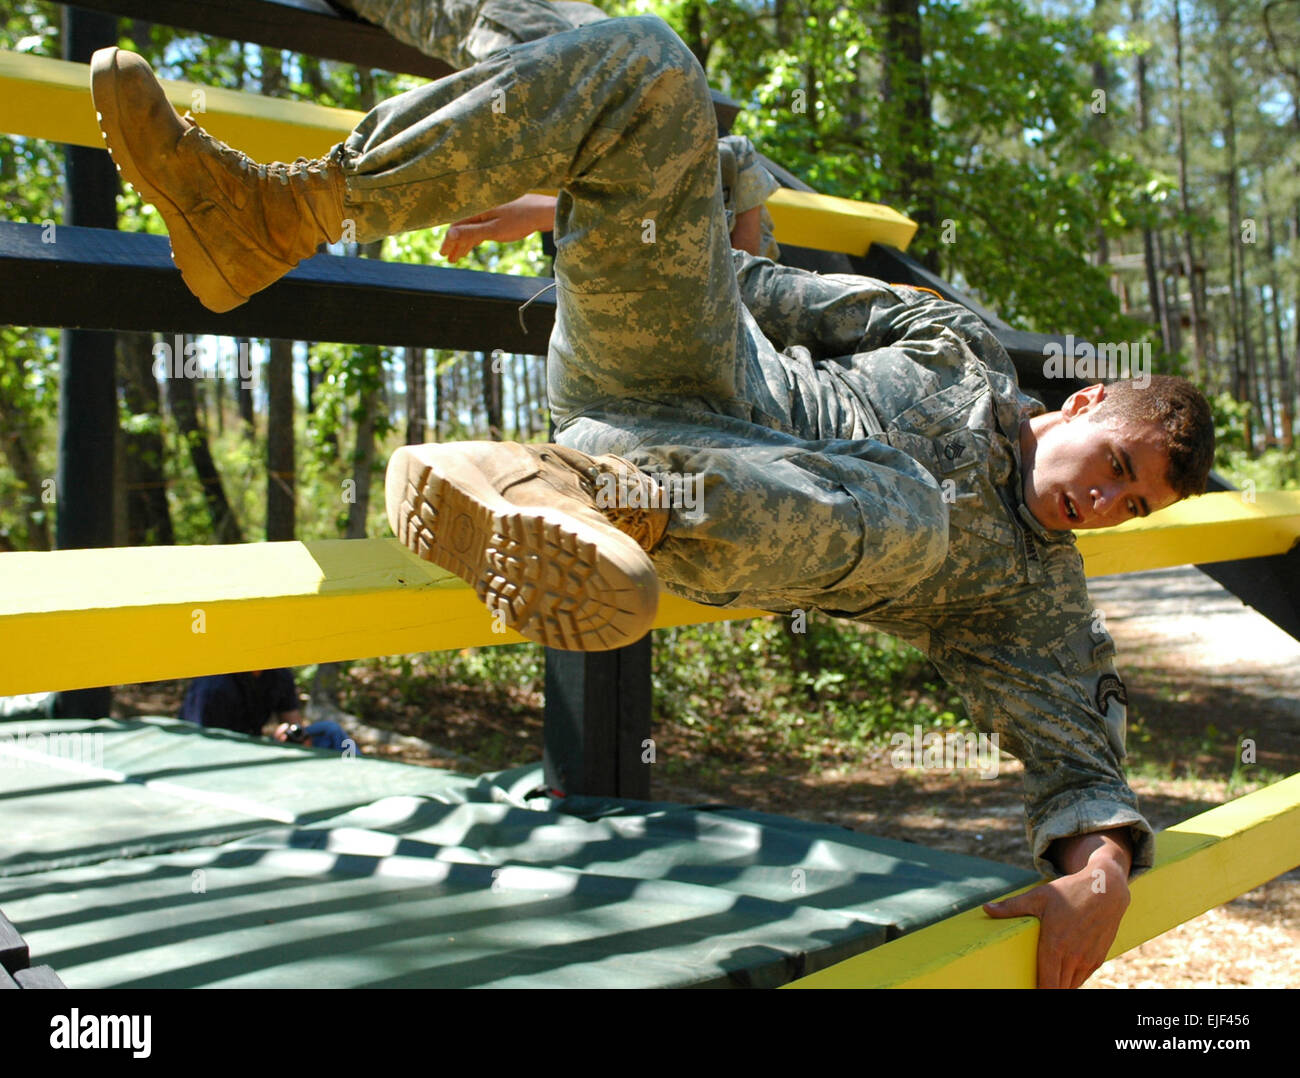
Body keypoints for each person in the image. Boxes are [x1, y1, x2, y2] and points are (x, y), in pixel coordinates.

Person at [88, 5, 1214, 988]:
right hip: (687, 360)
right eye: (1116, 465)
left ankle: (567, 492)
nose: (1106, 504)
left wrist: (1101, 872)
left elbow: (1082, 769)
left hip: (701, 489)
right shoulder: (958, 340)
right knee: (650, 66)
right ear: (1083, 402)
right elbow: (760, 283)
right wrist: (571, 207)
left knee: (911, 512)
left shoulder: (1029, 593)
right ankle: (281, 214)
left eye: (1134, 509)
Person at [179, 669, 352, 750]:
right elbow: (202, 745)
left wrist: (293, 735)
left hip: (257, 745)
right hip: (217, 752)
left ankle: (361, 775)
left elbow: (294, 724)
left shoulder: (278, 674)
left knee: (329, 731)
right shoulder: (214, 686)